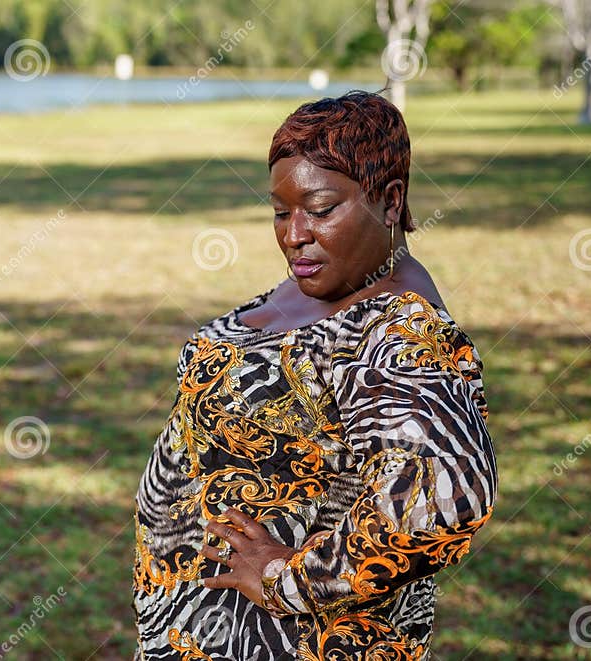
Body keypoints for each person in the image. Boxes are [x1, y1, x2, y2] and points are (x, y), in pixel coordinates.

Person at [131, 90, 497, 660]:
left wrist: (289, 580)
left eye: (321, 210)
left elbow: (445, 496)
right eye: (281, 212)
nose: (293, 235)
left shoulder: (399, 330)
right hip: (195, 633)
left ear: (390, 201)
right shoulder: (326, 280)